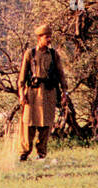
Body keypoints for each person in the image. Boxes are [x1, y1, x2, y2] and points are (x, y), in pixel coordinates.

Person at [18, 24, 69, 161]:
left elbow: (61, 74)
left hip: (48, 93)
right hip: (32, 94)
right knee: (28, 122)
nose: (49, 40)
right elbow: (22, 77)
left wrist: (65, 92)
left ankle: (41, 154)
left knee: (46, 124)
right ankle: (24, 153)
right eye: (47, 37)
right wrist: (21, 94)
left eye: (50, 37)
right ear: (39, 38)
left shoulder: (53, 54)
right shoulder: (30, 54)